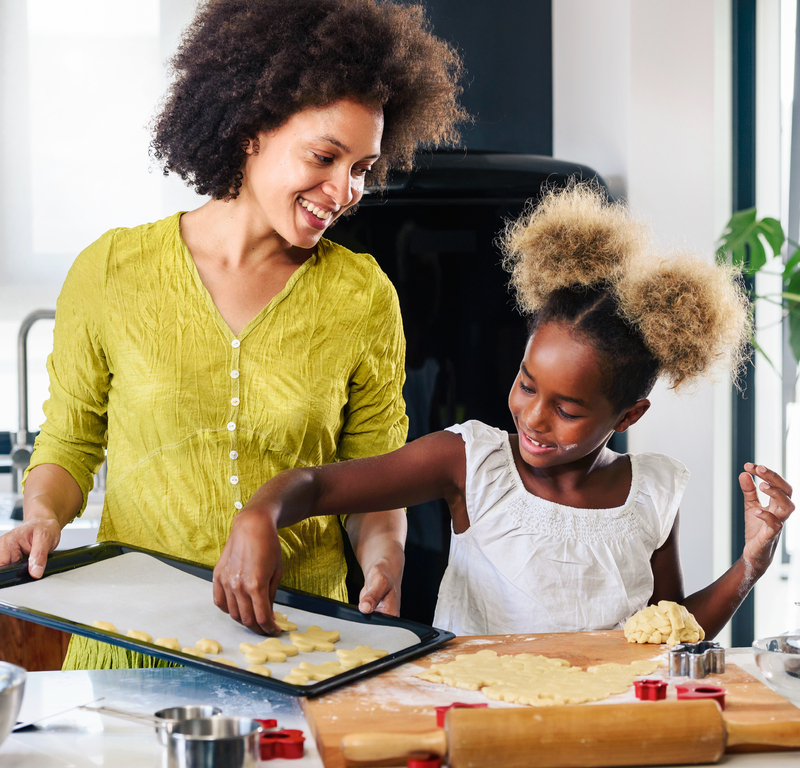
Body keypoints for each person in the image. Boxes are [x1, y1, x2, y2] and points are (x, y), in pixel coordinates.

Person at [0, 0, 467, 665]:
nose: (345, 190)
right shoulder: (112, 270)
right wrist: (42, 516)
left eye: (362, 167)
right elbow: (70, 442)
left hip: (299, 647)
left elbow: (373, 481)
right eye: (325, 156)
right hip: (134, 644)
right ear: (251, 130)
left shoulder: (362, 297)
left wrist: (383, 556)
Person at [214, 183, 794, 638]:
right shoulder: (469, 462)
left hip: (605, 731)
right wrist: (260, 514)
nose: (534, 417)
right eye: (525, 384)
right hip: (479, 722)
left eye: (567, 409)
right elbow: (315, 486)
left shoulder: (652, 490)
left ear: (627, 417)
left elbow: (668, 633)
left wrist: (751, 562)